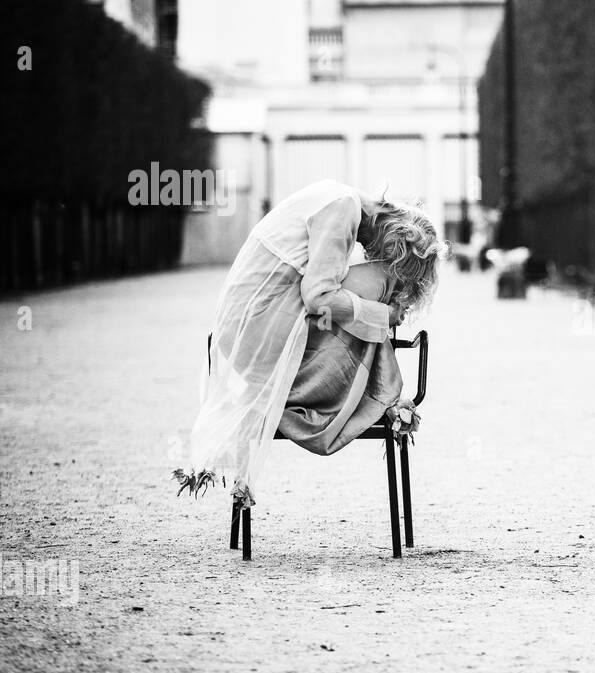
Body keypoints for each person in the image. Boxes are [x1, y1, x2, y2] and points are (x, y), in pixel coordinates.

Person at [173, 178, 446, 507]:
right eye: (394, 261)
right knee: (374, 285)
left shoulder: (336, 196)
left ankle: (377, 395)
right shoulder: (343, 208)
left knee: (360, 302)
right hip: (259, 330)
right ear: (396, 242)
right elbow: (318, 297)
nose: (374, 255)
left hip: (245, 331)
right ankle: (379, 397)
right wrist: (384, 313)